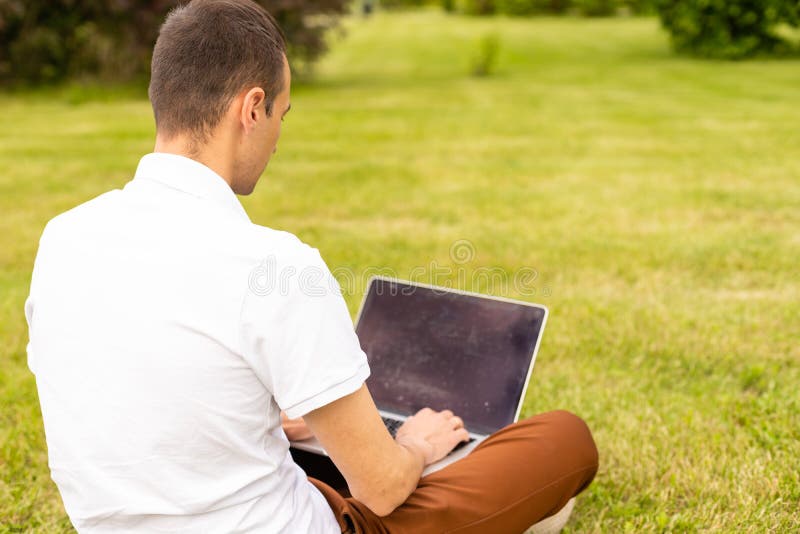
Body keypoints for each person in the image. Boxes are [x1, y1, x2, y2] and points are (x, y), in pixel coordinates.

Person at [24, 1, 598, 532]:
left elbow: (141, 381)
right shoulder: (274, 265)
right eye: (282, 113)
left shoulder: (63, 238)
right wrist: (418, 445)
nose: (277, 138)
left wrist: (271, 418)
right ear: (252, 108)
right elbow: (380, 490)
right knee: (564, 438)